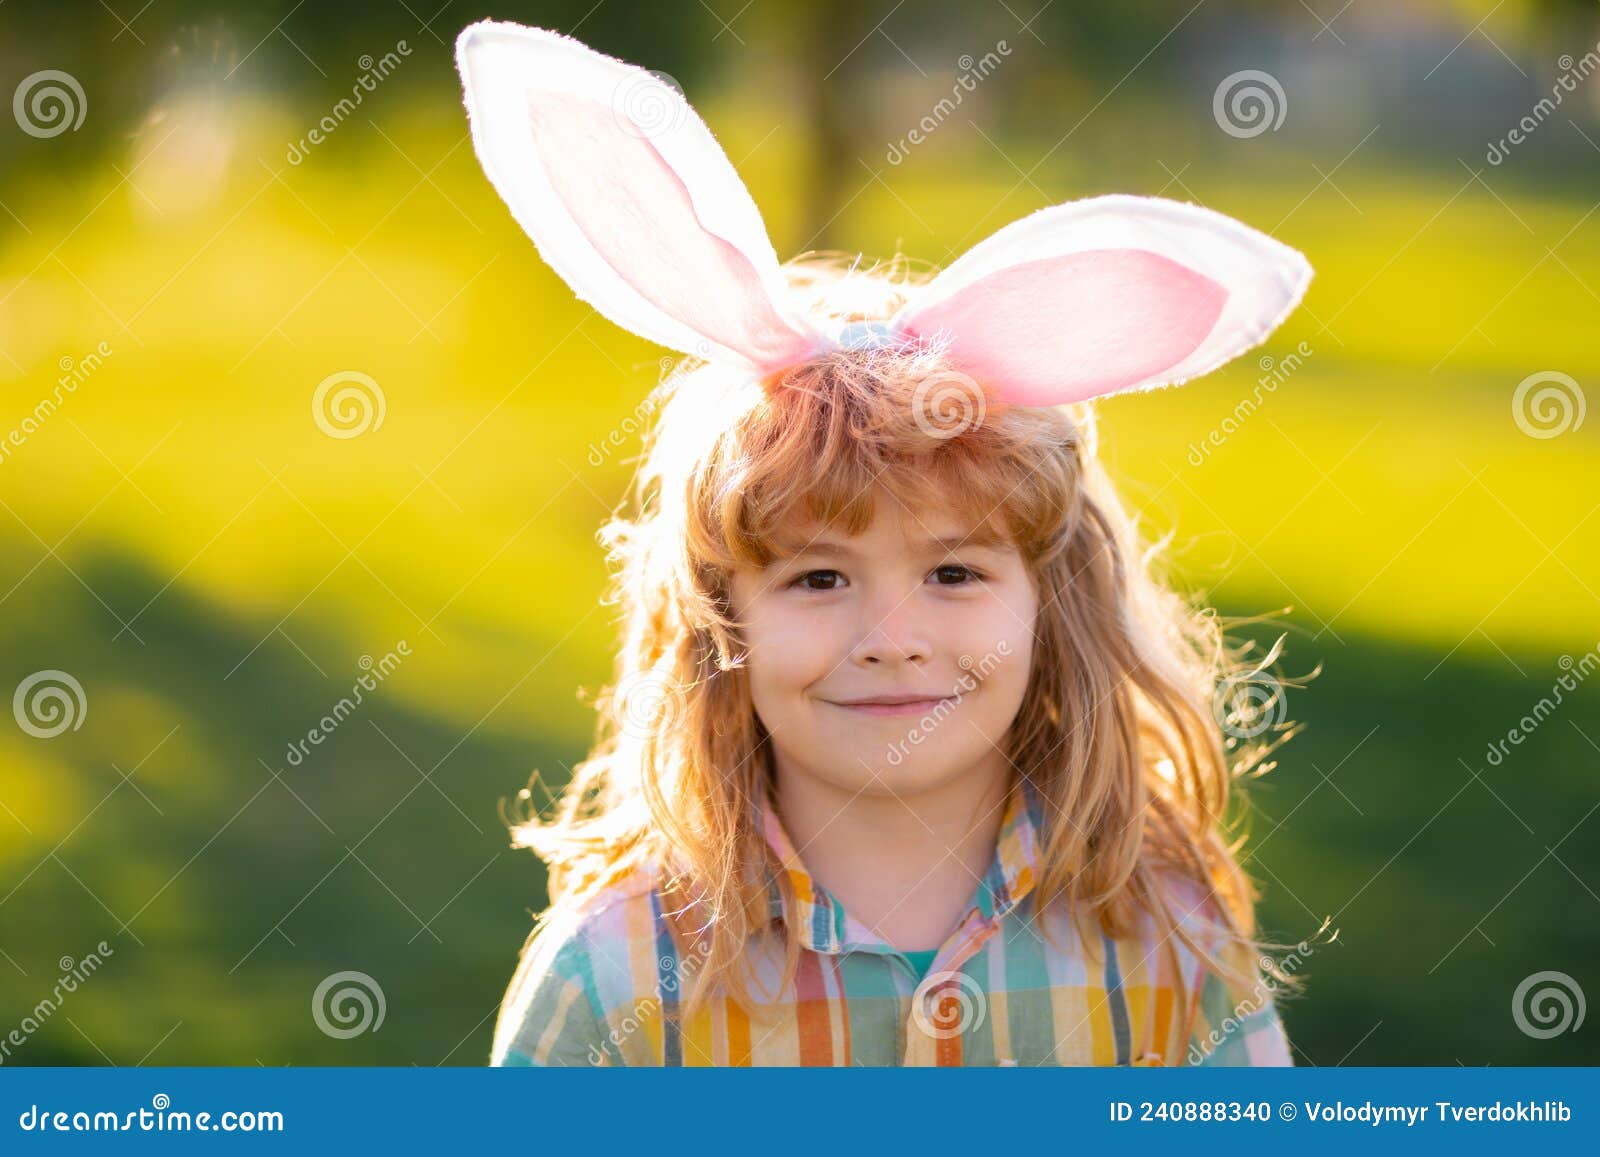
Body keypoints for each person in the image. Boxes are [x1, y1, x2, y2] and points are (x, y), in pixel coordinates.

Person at [453, 19, 1326, 1066]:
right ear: (718, 618)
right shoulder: (621, 976)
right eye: (817, 575)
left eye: (954, 570)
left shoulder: (1164, 939)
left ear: (1053, 600)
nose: (891, 634)